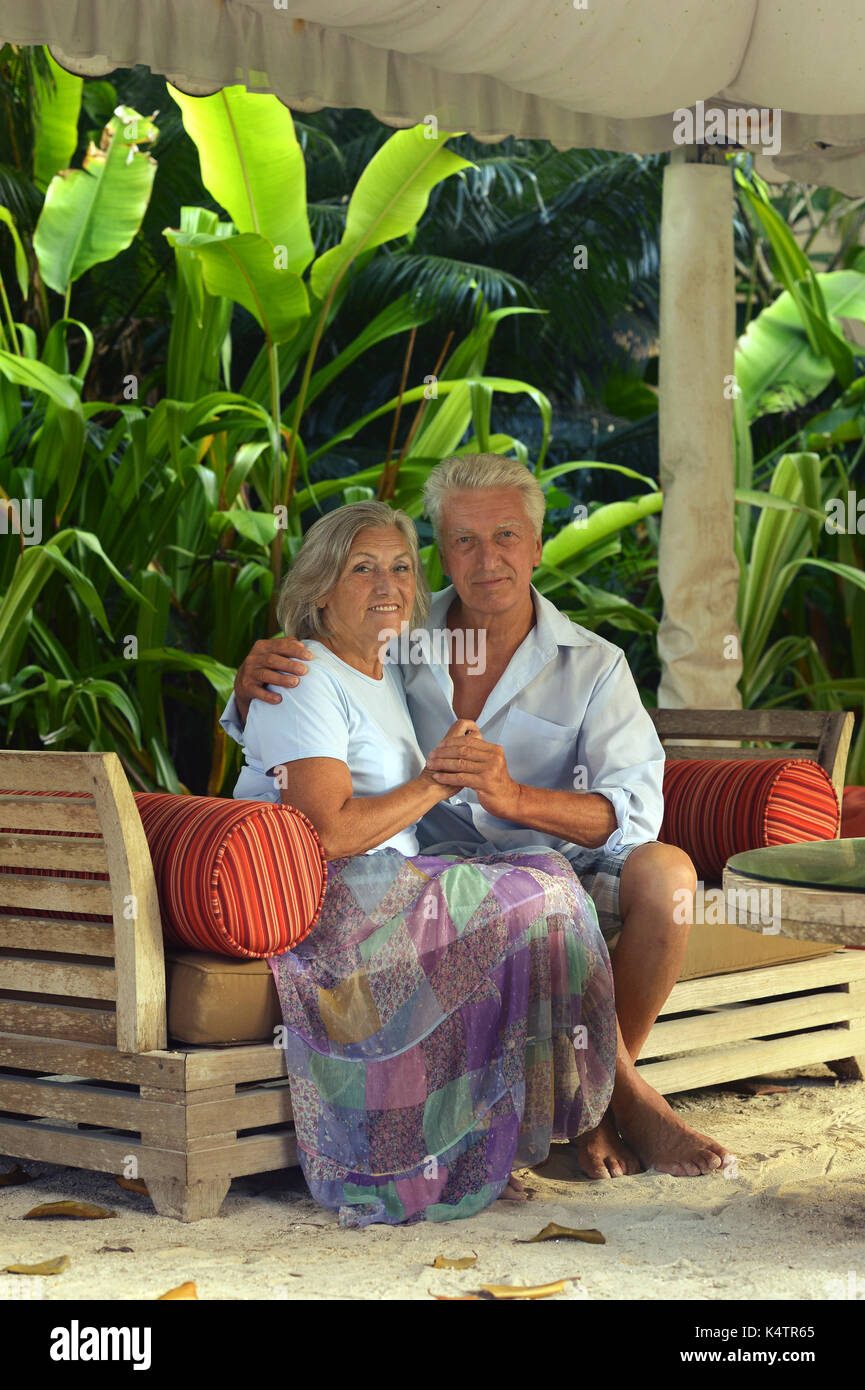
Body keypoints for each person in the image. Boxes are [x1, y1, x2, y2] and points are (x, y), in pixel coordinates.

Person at [223, 454, 734, 1181]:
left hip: (557, 858)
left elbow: (632, 815)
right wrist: (248, 689)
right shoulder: (397, 630)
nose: (486, 558)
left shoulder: (592, 665)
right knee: (533, 895)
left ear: (535, 542)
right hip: (428, 869)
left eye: (504, 536)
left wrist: (514, 797)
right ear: (441, 549)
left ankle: (590, 1105)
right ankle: (612, 1107)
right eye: (463, 540)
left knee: (666, 873)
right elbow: (317, 701)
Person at [230, 499, 618, 1227]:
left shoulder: (387, 668)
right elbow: (326, 833)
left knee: (550, 879)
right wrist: (435, 780)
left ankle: (504, 1138)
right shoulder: (301, 674)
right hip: (337, 907)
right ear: (318, 589)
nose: (389, 584)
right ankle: (498, 1136)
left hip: (394, 888)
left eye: (403, 567)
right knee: (535, 898)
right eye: (363, 569)